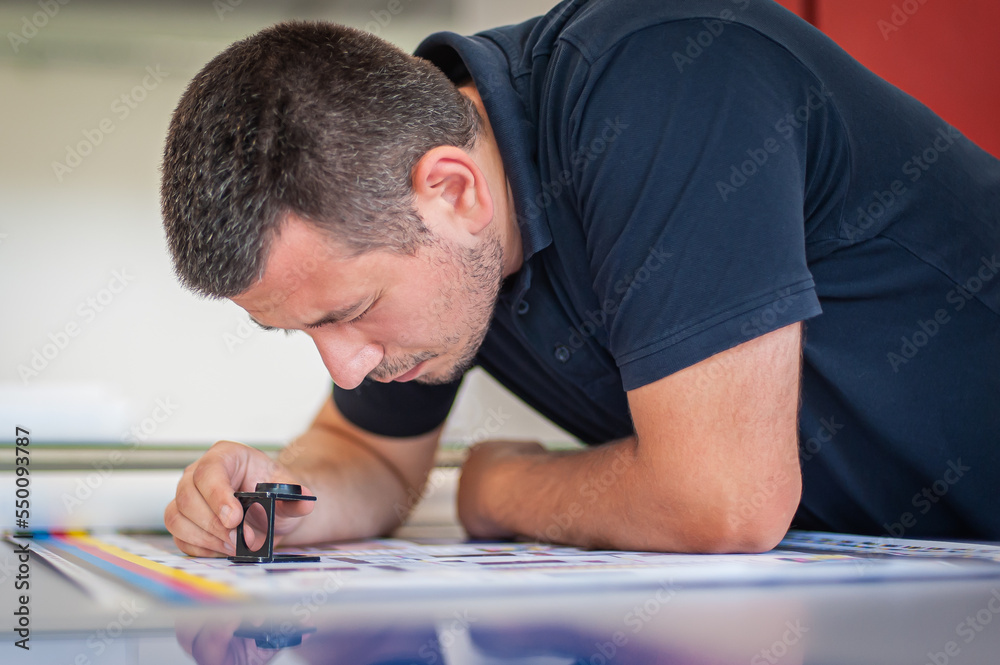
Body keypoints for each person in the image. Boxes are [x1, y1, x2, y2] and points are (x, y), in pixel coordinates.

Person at [160, 0, 1000, 557]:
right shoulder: (440, 231)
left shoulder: (666, 80)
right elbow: (368, 452)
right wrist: (273, 501)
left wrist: (502, 488)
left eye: (350, 310)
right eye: (303, 330)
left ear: (453, 189)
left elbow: (726, 499)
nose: (344, 367)